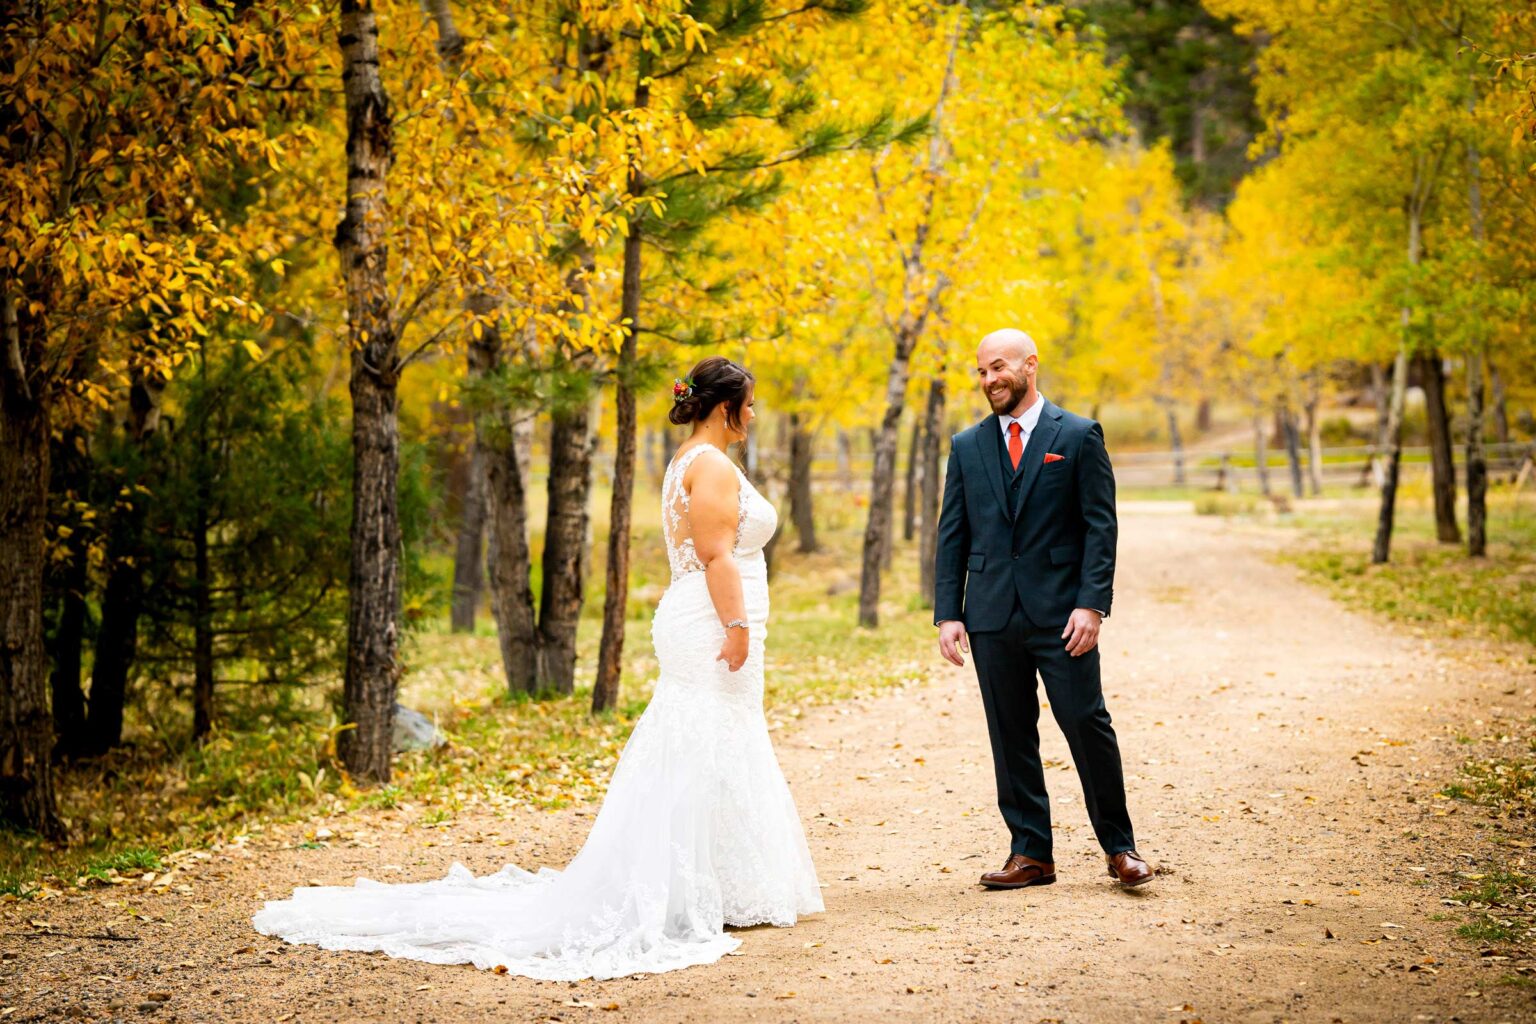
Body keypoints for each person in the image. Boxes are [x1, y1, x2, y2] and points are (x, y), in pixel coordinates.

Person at [253, 355, 823, 979]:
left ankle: (719, 881)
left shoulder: (693, 460)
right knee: (704, 737)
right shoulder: (709, 464)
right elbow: (715, 556)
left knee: (715, 739)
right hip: (713, 622)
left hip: (711, 619)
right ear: (724, 407)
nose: (753, 413)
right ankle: (692, 886)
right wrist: (737, 628)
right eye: (749, 403)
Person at [932, 328, 1152, 889]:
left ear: (1031, 365)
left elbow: (1100, 528)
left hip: (1063, 614)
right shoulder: (967, 445)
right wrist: (948, 612)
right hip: (990, 614)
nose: (989, 380)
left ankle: (1119, 848)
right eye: (981, 371)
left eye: (998, 368)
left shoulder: (1077, 435)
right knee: (1010, 733)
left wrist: (1092, 605)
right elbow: (952, 533)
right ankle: (1031, 853)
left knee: (1086, 723)